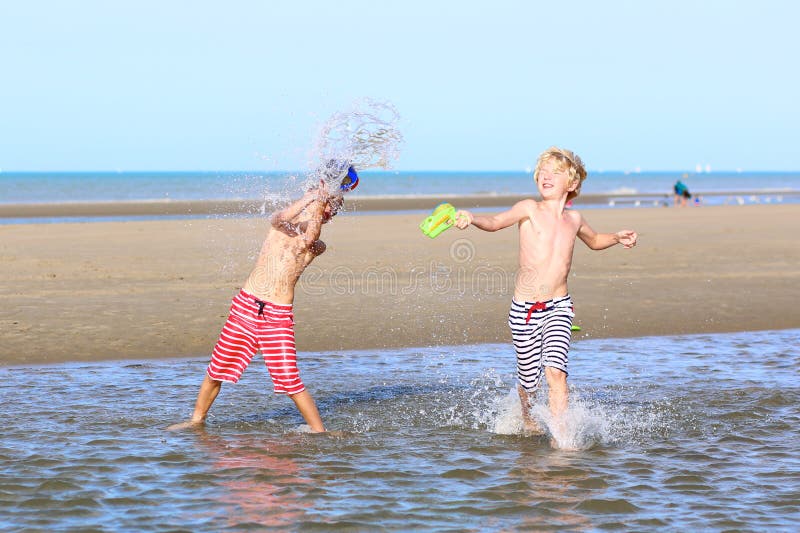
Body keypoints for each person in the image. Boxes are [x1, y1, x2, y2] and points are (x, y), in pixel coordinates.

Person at [454, 147, 638, 432]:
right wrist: (472, 218)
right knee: (529, 382)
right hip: (524, 311)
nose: (546, 176)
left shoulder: (574, 220)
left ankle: (561, 436)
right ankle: (528, 419)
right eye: (542, 171)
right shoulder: (529, 208)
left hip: (559, 307)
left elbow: (595, 240)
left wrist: (615, 237)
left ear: (572, 184)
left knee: (556, 372)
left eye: (555, 172)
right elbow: (495, 222)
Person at [168, 178, 345, 433]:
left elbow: (309, 239)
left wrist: (319, 205)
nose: (328, 211)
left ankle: (319, 431)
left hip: (276, 316)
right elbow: (277, 218)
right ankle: (196, 420)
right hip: (245, 307)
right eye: (327, 205)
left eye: (332, 209)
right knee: (216, 368)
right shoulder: (281, 226)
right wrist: (312, 197)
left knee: (289, 379)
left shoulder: (317, 244)